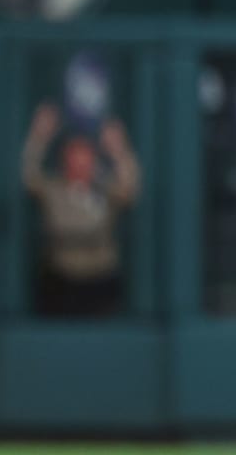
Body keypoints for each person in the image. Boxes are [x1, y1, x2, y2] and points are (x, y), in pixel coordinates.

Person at [21, 102, 141, 317]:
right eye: (74, 157)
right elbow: (28, 177)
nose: (79, 164)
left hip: (100, 281)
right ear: (65, 161)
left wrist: (119, 150)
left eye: (85, 157)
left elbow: (130, 190)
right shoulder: (53, 188)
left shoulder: (105, 189)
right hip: (61, 282)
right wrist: (39, 137)